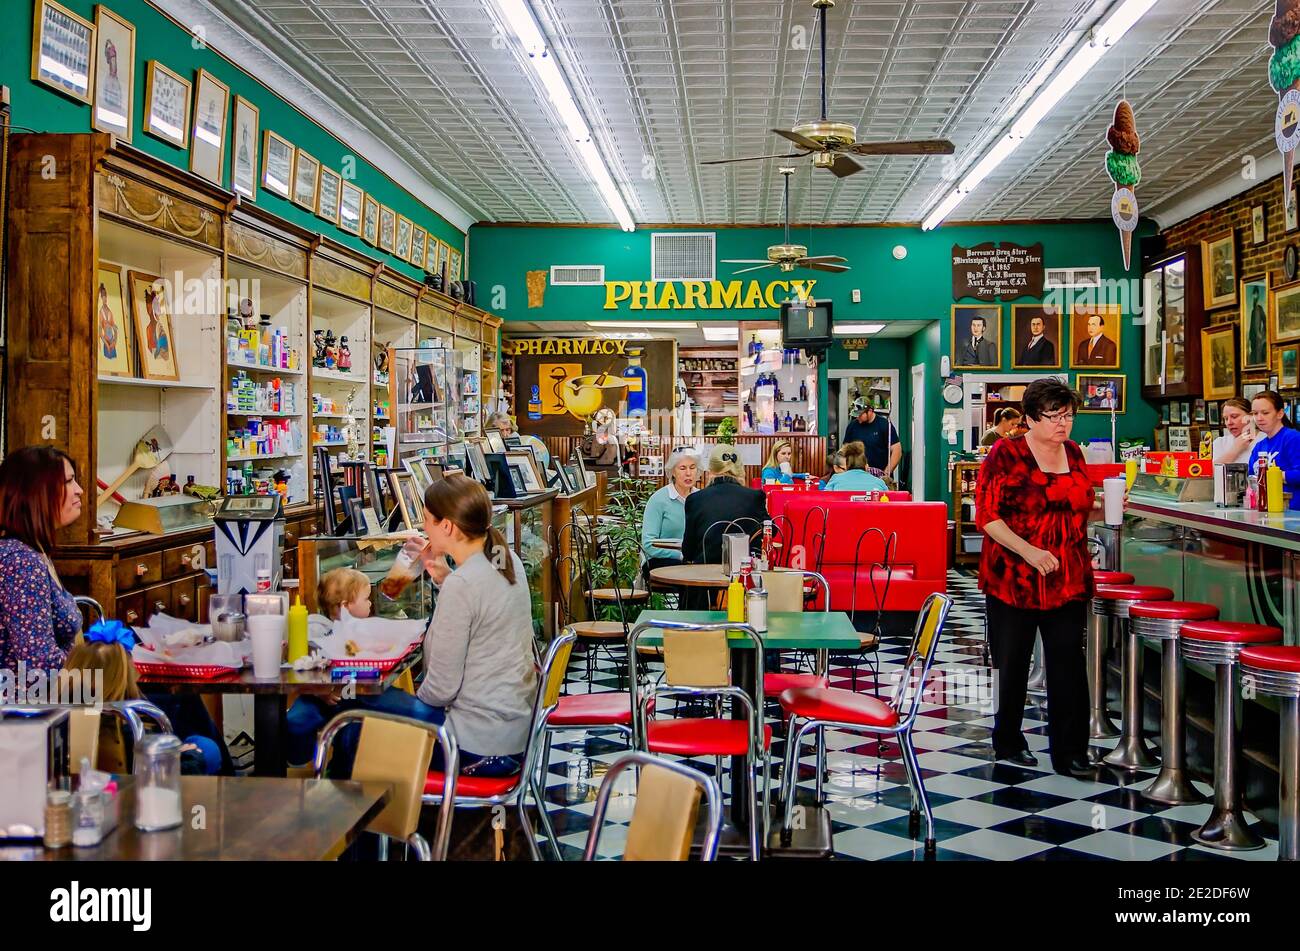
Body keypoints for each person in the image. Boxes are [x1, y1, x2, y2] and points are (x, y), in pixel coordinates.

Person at [975, 378, 1093, 777]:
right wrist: (1028, 551)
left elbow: (1073, 508)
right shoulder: (1004, 455)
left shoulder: (1075, 453)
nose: (1064, 424)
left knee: (1068, 663)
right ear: (1029, 418)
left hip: (1066, 576)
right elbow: (987, 516)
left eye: (1069, 415)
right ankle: (1008, 740)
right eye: (1054, 416)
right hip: (1014, 576)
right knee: (1013, 662)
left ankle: (1072, 750)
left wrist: (1105, 509)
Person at [60, 626, 222, 775]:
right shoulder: (130, 727)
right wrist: (189, 755)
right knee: (206, 746)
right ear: (125, 677)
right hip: (147, 784)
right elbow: (162, 768)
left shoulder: (58, 722)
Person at [0, 446, 84, 674]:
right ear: (37, 492)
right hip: (31, 706)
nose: (80, 491)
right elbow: (39, 666)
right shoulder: (21, 561)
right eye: (69, 481)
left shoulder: (35, 551)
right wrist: (100, 674)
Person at [682, 444, 769, 565]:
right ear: (739, 469)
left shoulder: (695, 499)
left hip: (704, 575)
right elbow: (771, 530)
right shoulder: (755, 497)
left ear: (711, 470)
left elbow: (688, 551)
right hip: (743, 573)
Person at [640, 449, 698, 582]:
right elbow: (649, 544)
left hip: (692, 563)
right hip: (660, 561)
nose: (688, 473)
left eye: (692, 467)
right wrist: (681, 556)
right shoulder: (658, 499)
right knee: (691, 574)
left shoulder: (701, 499)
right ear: (673, 472)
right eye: (682, 468)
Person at [1248, 391, 1300, 511]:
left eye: (1265, 413)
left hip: (1292, 511)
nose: (1259, 418)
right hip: (1264, 509)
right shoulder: (1259, 446)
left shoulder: (1293, 438)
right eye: (1255, 413)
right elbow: (1251, 478)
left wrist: (1275, 476)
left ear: (1280, 413)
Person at [842, 400, 902, 479]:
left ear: (870, 411)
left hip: (880, 475)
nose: (858, 417)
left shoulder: (884, 425)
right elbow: (844, 450)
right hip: (856, 476)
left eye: (860, 415)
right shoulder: (852, 426)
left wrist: (887, 472)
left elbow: (897, 450)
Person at [823, 441, 889, 492]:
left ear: (847, 466)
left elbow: (825, 501)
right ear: (866, 467)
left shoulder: (835, 479)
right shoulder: (880, 483)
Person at [1212, 397, 1261, 466]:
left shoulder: (1266, 439)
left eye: (1234, 417)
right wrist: (1235, 449)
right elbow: (1214, 471)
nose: (1229, 422)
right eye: (1226, 419)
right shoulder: (1220, 442)